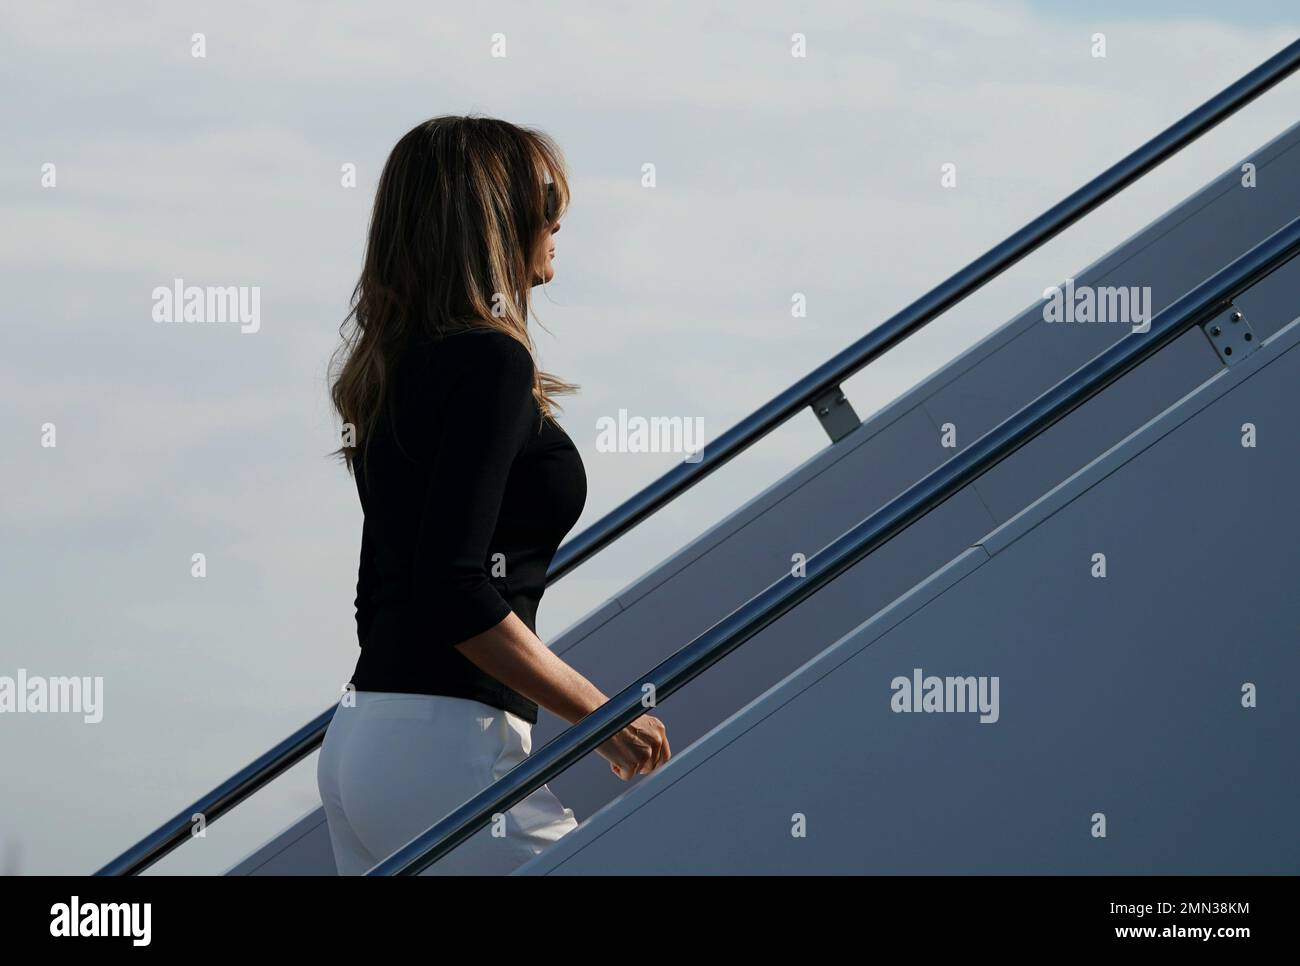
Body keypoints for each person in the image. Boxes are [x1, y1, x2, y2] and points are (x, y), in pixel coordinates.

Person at [317, 116, 670, 875]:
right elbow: (451, 587)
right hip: (446, 746)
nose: (558, 217)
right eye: (545, 196)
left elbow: (379, 594)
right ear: (495, 214)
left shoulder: (395, 367)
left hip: (362, 739)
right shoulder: (492, 363)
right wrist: (602, 717)